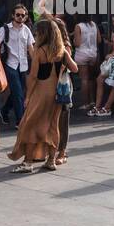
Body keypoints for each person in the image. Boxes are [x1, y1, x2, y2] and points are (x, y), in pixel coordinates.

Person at [8, 18, 67, 173]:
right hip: (57, 94)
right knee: (53, 126)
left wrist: (27, 96)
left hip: (41, 92)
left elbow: (33, 76)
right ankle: (51, 160)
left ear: (43, 34)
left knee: (29, 125)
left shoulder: (40, 51)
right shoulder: (62, 50)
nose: (35, 35)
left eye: (37, 32)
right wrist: (62, 69)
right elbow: (74, 68)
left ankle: (28, 162)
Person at [0, 4, 35, 126]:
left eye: (22, 15)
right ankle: (21, 121)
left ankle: (4, 110)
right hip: (10, 64)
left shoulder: (27, 30)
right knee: (18, 93)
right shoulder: (5, 29)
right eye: (18, 15)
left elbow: (30, 47)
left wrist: (36, 62)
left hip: (23, 65)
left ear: (25, 17)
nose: (20, 17)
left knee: (17, 92)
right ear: (13, 15)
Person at [50, 15, 78, 167]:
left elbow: (72, 67)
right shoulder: (49, 44)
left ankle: (62, 151)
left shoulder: (65, 46)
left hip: (62, 85)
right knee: (54, 119)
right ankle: (54, 149)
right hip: (51, 84)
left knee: (62, 118)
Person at [72, 16, 100, 113]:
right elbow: (99, 40)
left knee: (84, 79)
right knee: (91, 78)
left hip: (82, 54)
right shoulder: (94, 25)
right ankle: (92, 101)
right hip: (93, 54)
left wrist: (74, 40)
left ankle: (85, 103)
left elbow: (78, 43)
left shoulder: (78, 26)